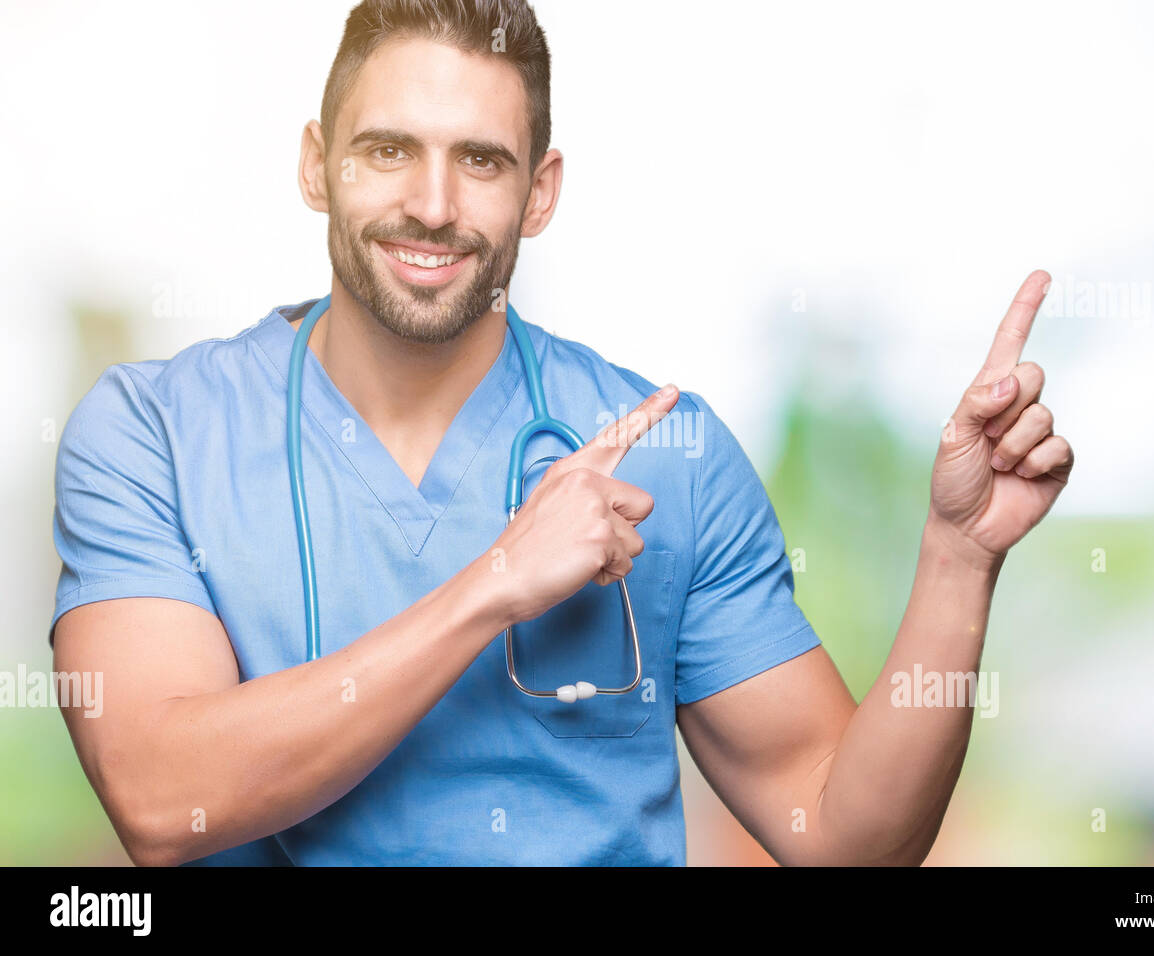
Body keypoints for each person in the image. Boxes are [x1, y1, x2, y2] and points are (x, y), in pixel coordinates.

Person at [49, 0, 1074, 866]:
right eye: (387, 149)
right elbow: (157, 795)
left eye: (481, 161)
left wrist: (959, 556)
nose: (432, 204)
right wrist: (499, 580)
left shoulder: (669, 452)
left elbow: (844, 832)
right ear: (318, 167)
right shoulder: (152, 435)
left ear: (539, 192)